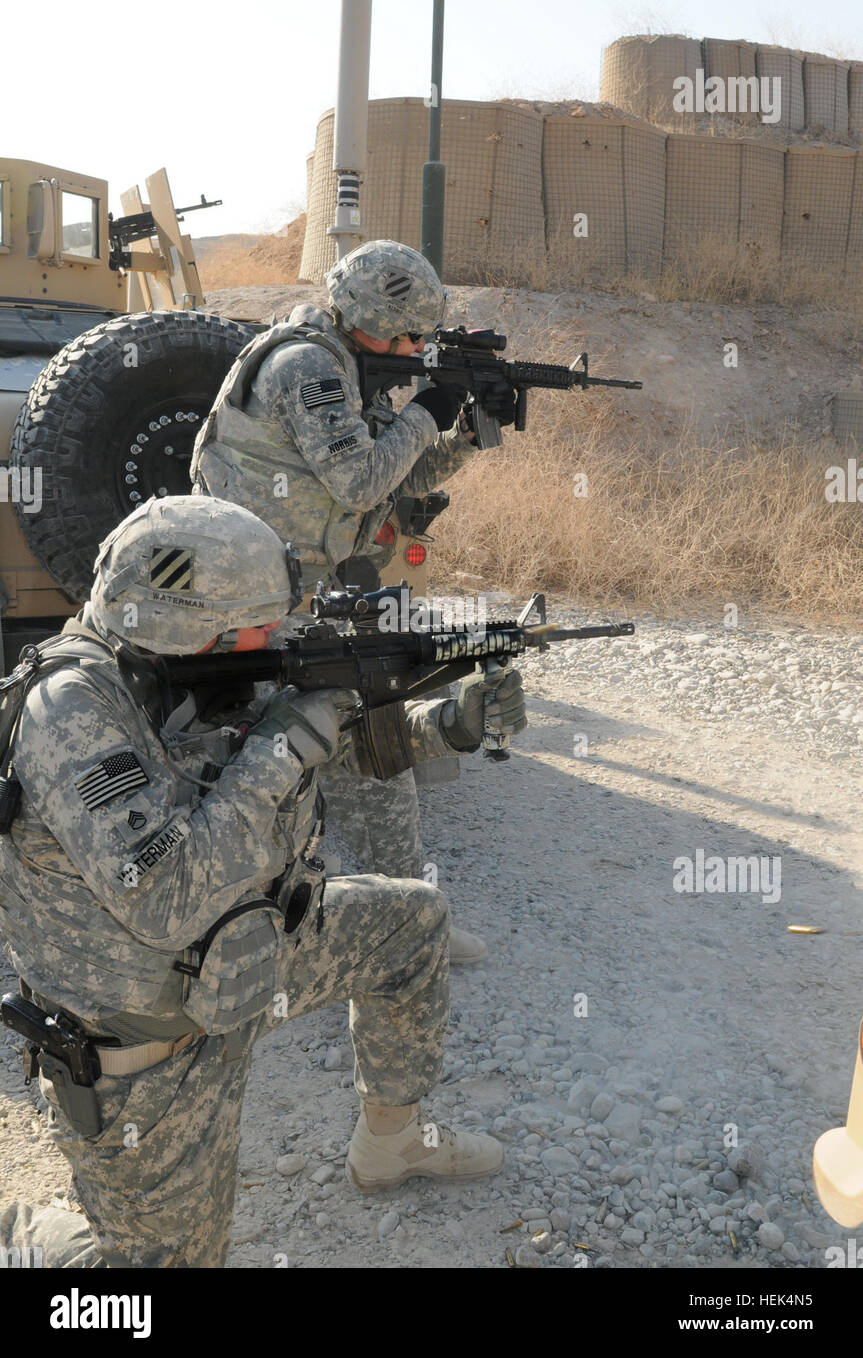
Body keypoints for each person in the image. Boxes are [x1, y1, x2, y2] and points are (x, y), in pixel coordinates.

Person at [0, 495, 527, 1268]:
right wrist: (280, 749)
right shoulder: (70, 713)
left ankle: (391, 1143)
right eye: (256, 621)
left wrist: (450, 724)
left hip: (251, 954)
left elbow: (337, 745)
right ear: (184, 625)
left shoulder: (189, 666)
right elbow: (171, 898)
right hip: (146, 1041)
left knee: (410, 924)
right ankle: (32, 1240)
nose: (277, 633)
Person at [190, 239, 517, 965]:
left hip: (298, 594)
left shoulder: (345, 365)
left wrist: (465, 430)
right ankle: (216, 943)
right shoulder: (306, 367)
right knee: (249, 770)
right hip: (247, 603)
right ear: (366, 316)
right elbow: (360, 482)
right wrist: (427, 408)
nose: (413, 346)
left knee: (371, 749)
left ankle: (407, 919)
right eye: (407, 334)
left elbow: (401, 473)